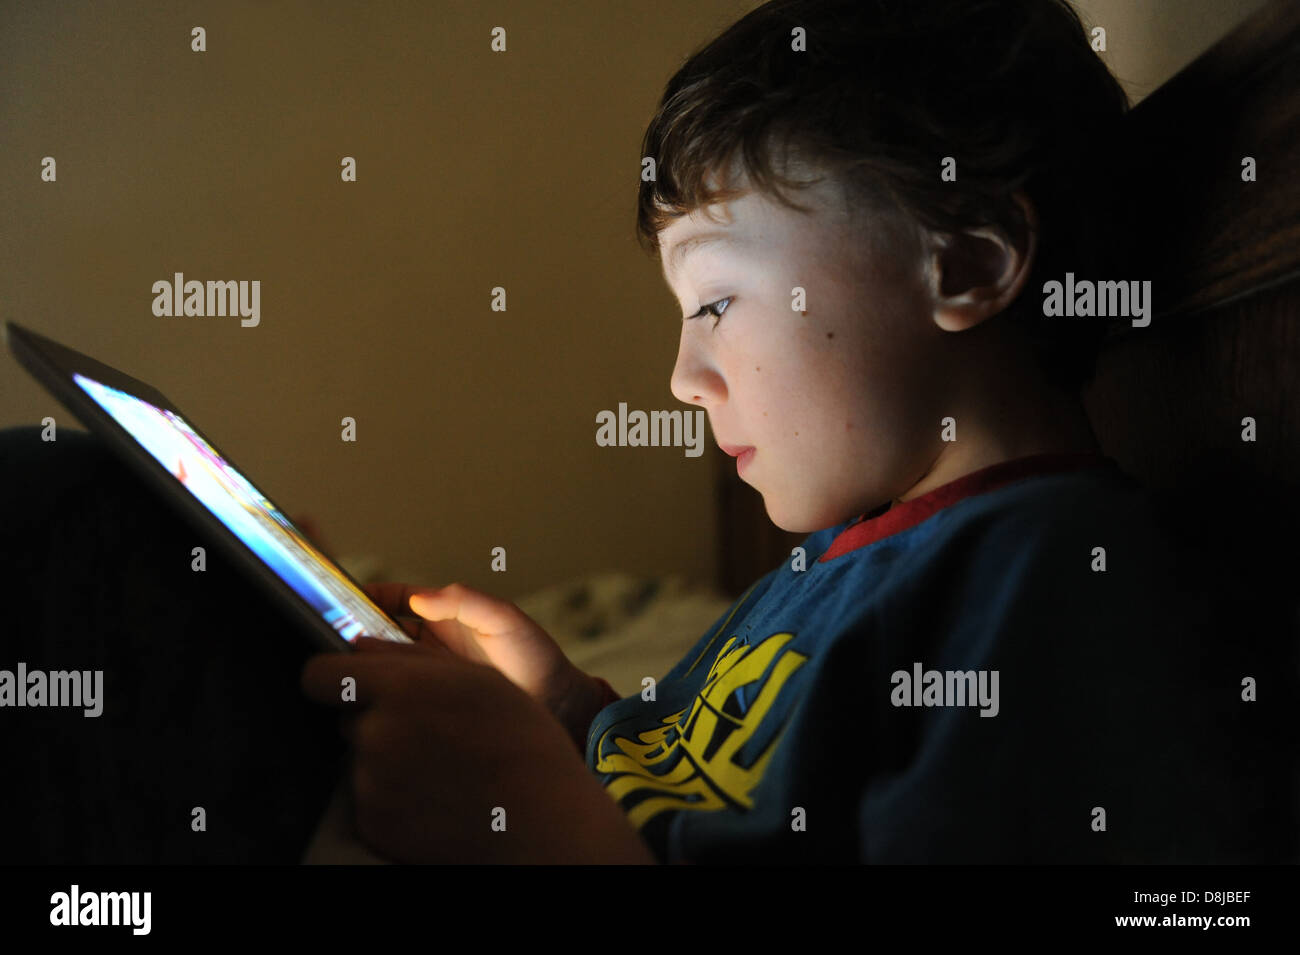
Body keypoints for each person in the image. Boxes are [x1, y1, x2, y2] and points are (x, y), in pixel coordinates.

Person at [4, 0, 1296, 864]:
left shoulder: (1055, 579)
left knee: (72, 532)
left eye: (720, 302)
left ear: (966, 264)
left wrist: (546, 832)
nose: (685, 377)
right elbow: (698, 778)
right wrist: (557, 700)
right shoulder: (850, 554)